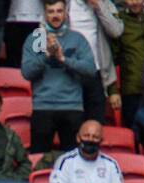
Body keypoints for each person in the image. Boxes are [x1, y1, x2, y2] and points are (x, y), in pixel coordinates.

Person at [22, 0, 97, 153]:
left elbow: (91, 70)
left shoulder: (77, 38)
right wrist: (47, 56)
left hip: (72, 107)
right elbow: (27, 72)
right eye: (51, 12)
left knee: (73, 159)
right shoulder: (37, 38)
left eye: (59, 11)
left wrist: (64, 59)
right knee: (38, 158)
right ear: (45, 14)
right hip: (43, 107)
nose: (55, 15)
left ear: (65, 13)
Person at [70, 0, 124, 122]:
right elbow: (42, 26)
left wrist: (99, 6)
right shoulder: (64, 3)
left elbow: (117, 31)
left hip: (96, 72)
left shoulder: (106, 4)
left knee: (95, 122)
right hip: (69, 73)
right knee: (72, 123)